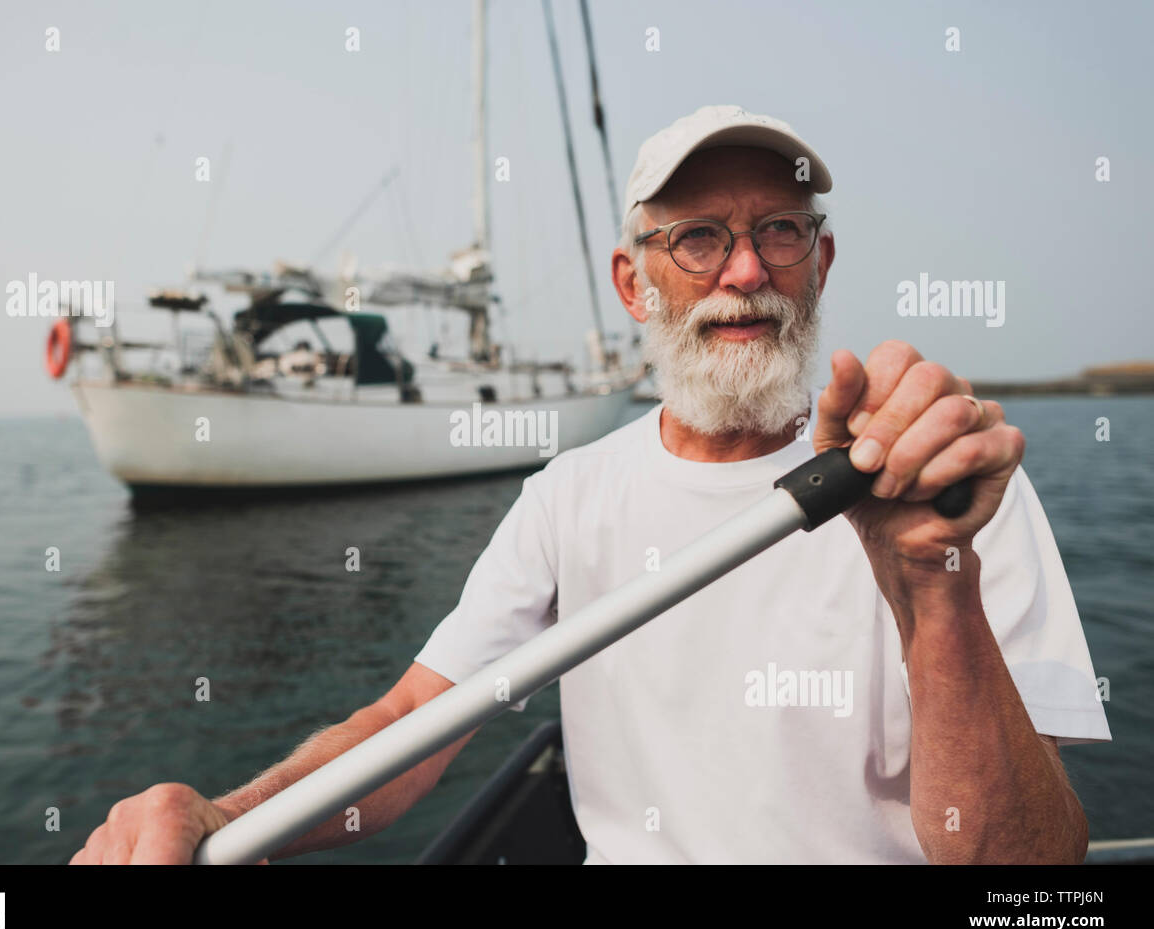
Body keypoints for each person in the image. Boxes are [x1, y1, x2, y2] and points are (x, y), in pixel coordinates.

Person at [72, 105, 1109, 865]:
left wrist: (931, 582)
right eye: (697, 238)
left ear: (820, 261)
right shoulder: (569, 496)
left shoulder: (949, 490)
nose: (744, 271)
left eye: (777, 231)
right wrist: (224, 821)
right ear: (634, 282)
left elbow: (1029, 873)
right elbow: (412, 727)